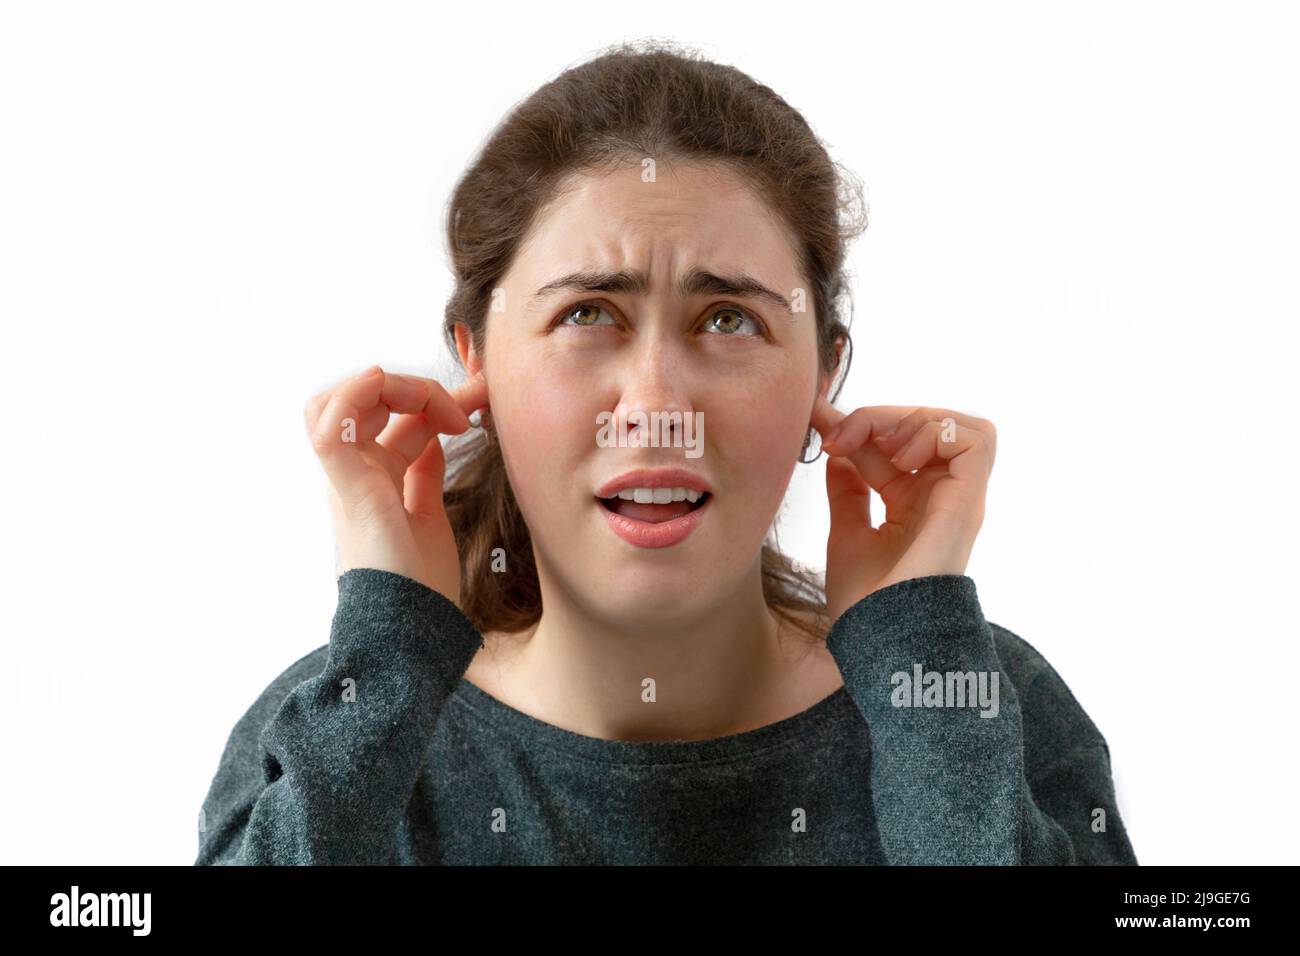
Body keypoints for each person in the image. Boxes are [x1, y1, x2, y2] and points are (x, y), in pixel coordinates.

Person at [195, 39, 1137, 865]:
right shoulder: (341, 723)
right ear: (474, 360)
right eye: (586, 314)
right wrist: (392, 653)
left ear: (824, 377)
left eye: (728, 319)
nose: (656, 408)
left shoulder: (973, 701)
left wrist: (917, 660)